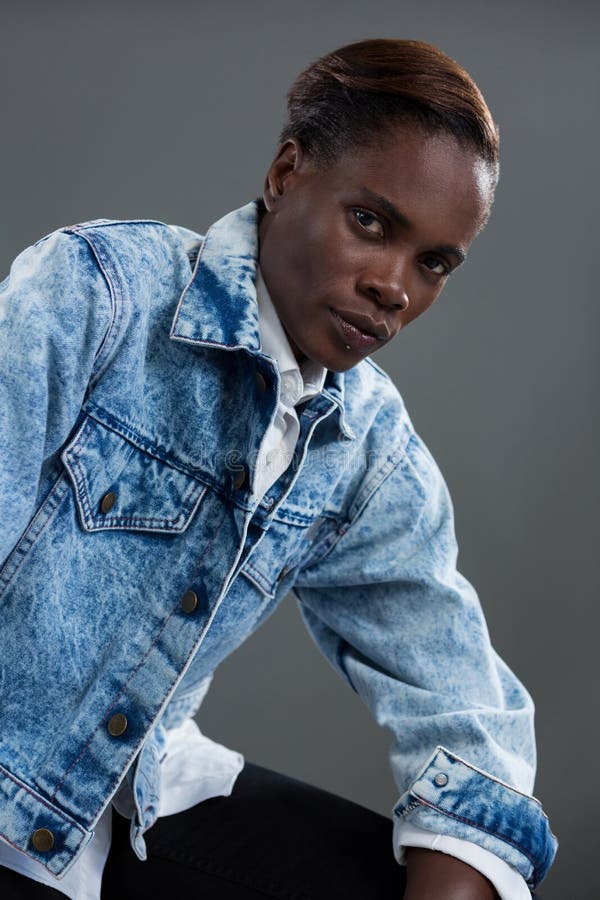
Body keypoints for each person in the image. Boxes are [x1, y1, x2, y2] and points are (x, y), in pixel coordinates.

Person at [0, 38, 557, 899]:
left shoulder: (367, 452)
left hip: (139, 797)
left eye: (435, 263)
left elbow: (465, 709)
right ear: (287, 173)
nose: (395, 288)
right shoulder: (97, 294)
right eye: (372, 223)